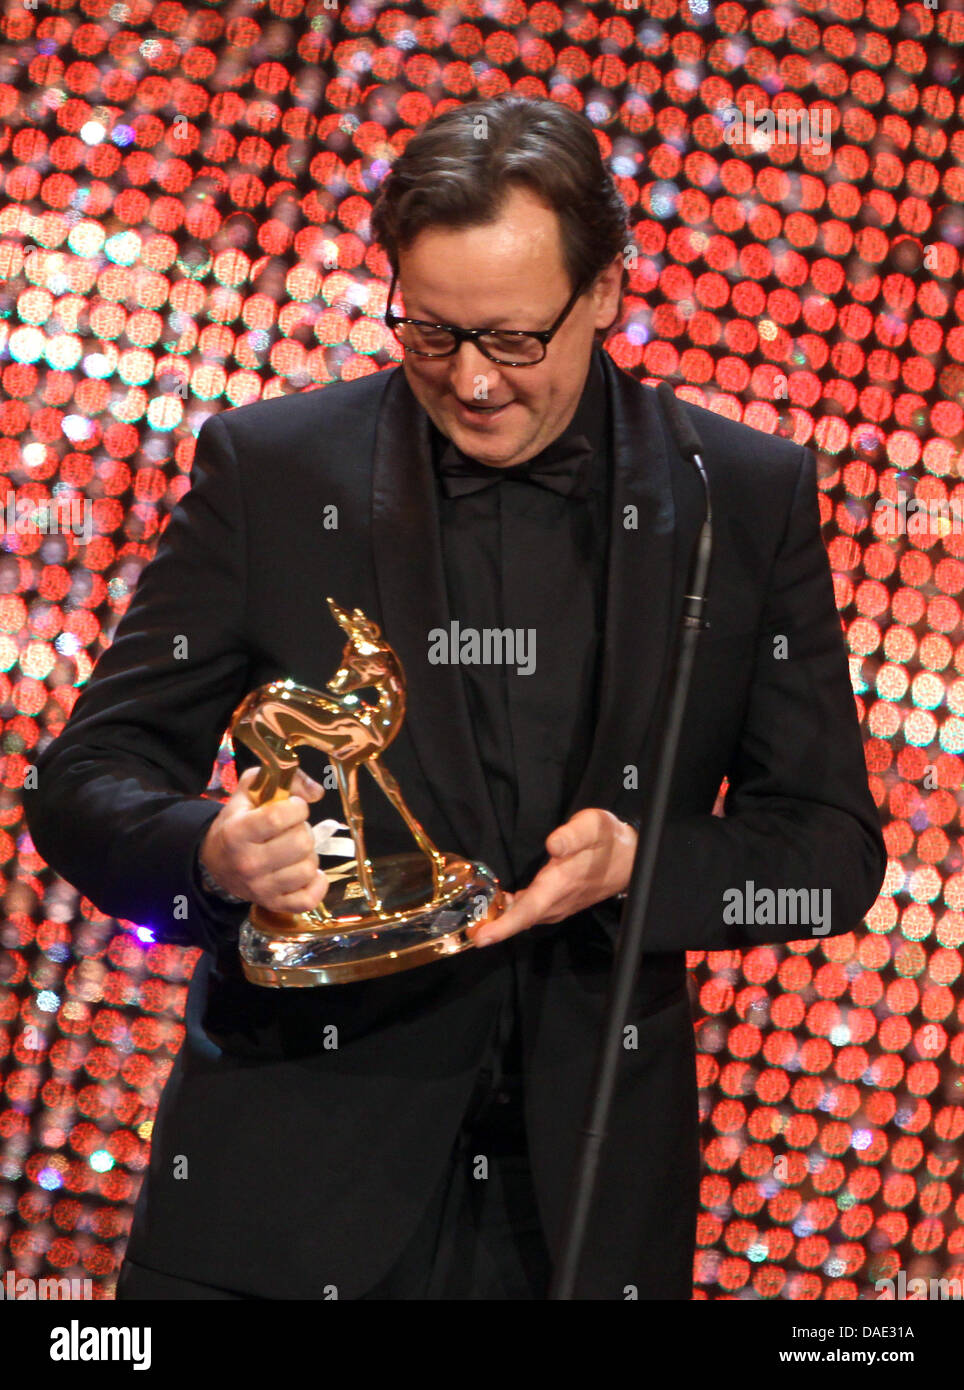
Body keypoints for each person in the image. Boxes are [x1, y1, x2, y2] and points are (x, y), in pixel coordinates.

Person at [22, 95, 887, 1300]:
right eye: (429, 336)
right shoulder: (273, 471)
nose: (471, 382)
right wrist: (210, 853)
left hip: (578, 1216)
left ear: (606, 294)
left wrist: (642, 865)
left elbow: (830, 847)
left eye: (513, 340)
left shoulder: (738, 497)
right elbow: (83, 780)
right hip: (281, 1200)